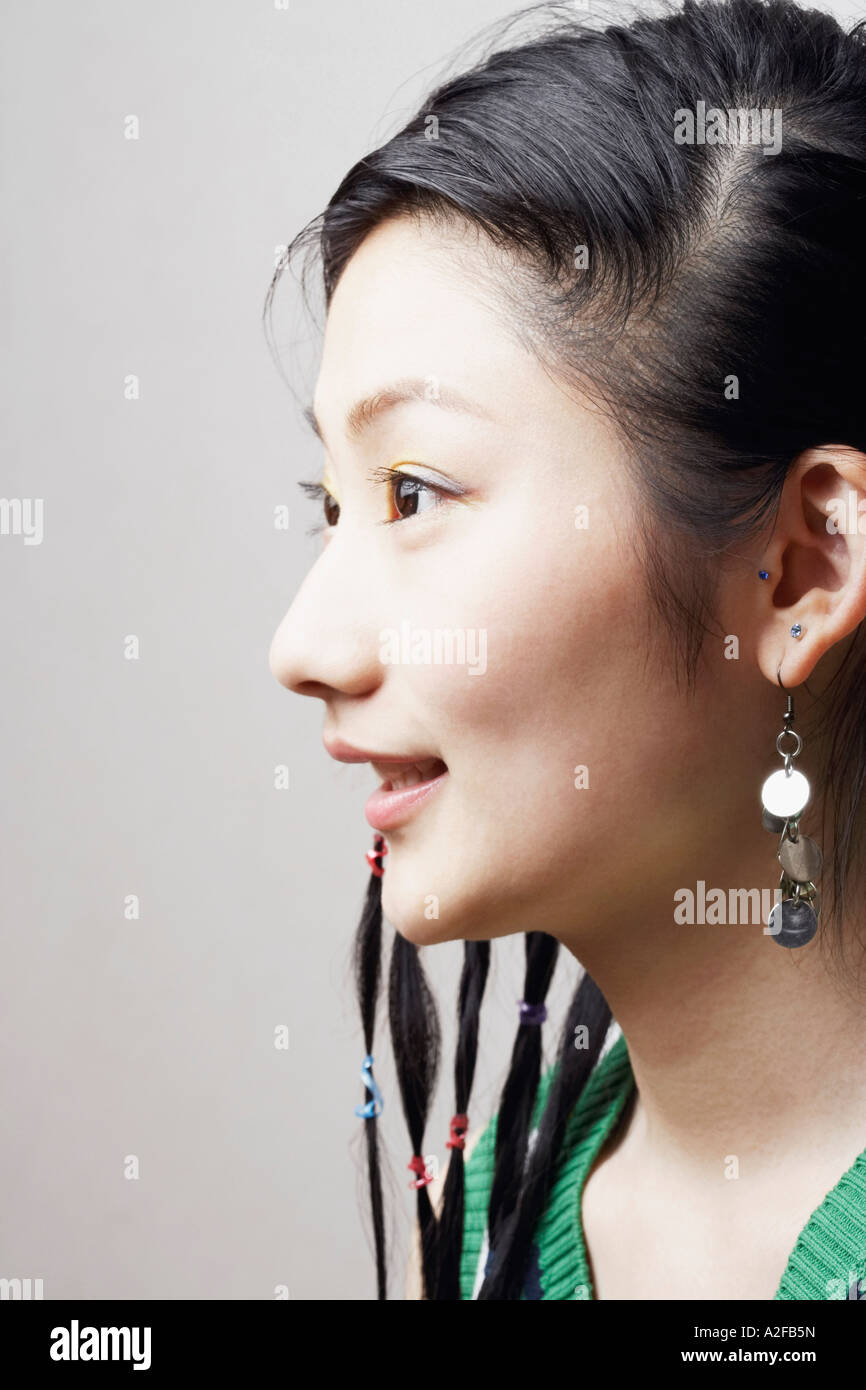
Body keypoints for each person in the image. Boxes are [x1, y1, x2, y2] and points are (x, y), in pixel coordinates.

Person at [267, 0, 866, 1299]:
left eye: (413, 492)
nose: (299, 645)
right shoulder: (491, 1235)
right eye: (330, 504)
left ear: (801, 570)